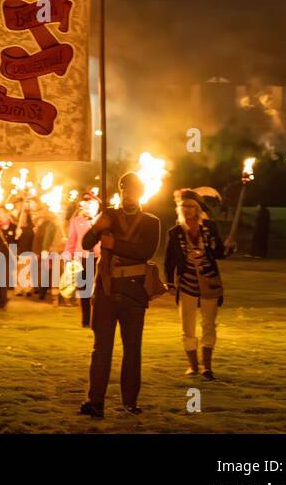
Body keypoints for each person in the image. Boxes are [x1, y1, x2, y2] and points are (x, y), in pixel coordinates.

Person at [78, 172, 161, 419]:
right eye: (126, 189)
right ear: (121, 190)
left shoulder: (151, 221)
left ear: (141, 192)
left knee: (132, 349)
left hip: (134, 292)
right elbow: (85, 243)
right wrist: (97, 227)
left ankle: (130, 401)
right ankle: (95, 402)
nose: (129, 193)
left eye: (134, 189)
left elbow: (145, 251)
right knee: (101, 348)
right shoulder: (109, 216)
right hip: (106, 290)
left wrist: (115, 245)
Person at [163, 189, 227, 380]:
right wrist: (169, 282)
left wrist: (229, 248)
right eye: (184, 205)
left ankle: (207, 367)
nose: (188, 209)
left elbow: (218, 253)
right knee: (187, 327)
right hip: (187, 283)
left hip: (210, 281)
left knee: (209, 324)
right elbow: (169, 261)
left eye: (191, 205)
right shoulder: (175, 232)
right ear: (179, 208)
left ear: (197, 208)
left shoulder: (209, 227)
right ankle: (193, 366)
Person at [64, 195, 100, 328]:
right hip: (81, 258)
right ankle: (86, 320)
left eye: (92, 204)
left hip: (98, 258)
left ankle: (97, 319)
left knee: (97, 291)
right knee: (84, 289)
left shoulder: (102, 220)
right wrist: (68, 257)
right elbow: (71, 241)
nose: (89, 207)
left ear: (97, 206)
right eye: (87, 204)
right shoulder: (76, 221)